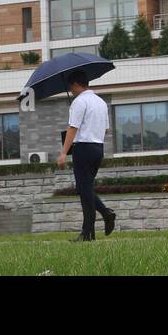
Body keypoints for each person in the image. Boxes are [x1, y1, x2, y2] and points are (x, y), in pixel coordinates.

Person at [56, 70, 116, 241]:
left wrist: (63, 153)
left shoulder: (79, 102)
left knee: (84, 189)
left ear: (75, 84)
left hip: (83, 148)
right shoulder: (101, 102)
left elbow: (72, 128)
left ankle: (104, 215)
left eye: (70, 86)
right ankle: (89, 232)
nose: (70, 89)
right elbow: (105, 129)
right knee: (85, 189)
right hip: (98, 148)